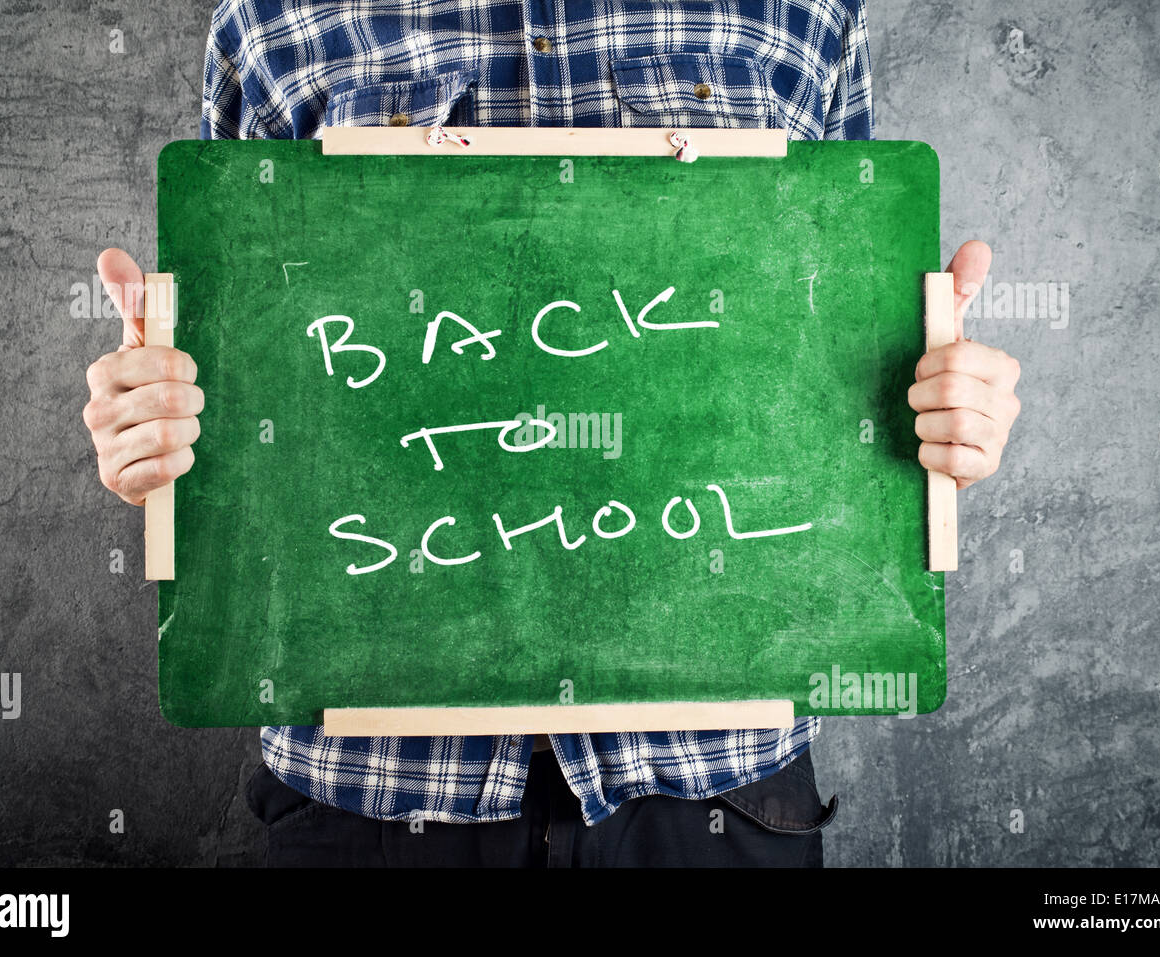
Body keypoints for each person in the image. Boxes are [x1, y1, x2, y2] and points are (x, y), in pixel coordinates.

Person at [82, 0, 1021, 867]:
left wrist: (940, 420)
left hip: (716, 788)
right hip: (372, 796)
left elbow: (843, 342)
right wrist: (160, 441)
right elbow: (243, 375)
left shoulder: (802, 11)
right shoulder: (276, 16)